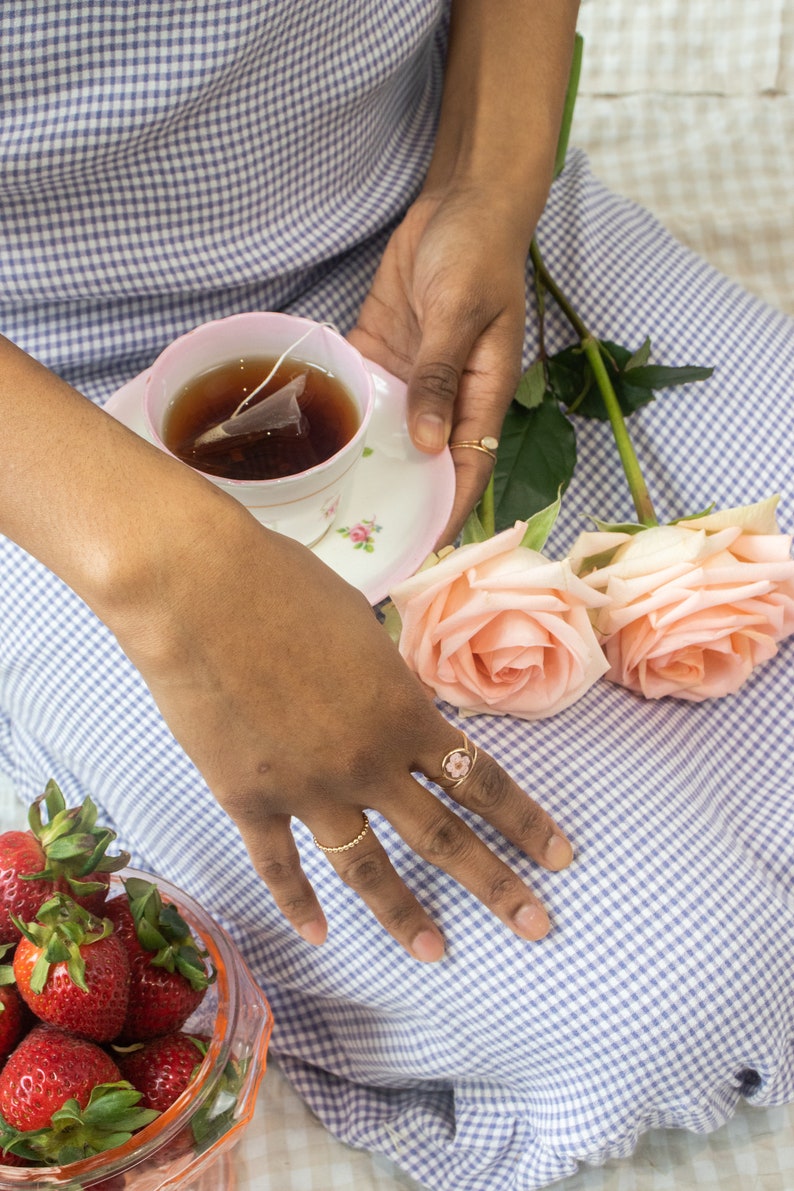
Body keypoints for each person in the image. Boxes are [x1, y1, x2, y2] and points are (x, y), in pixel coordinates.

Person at [1, 3, 792, 1189]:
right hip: (56, 403)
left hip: (430, 234)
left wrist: (485, 181)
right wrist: (167, 573)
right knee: (674, 988)